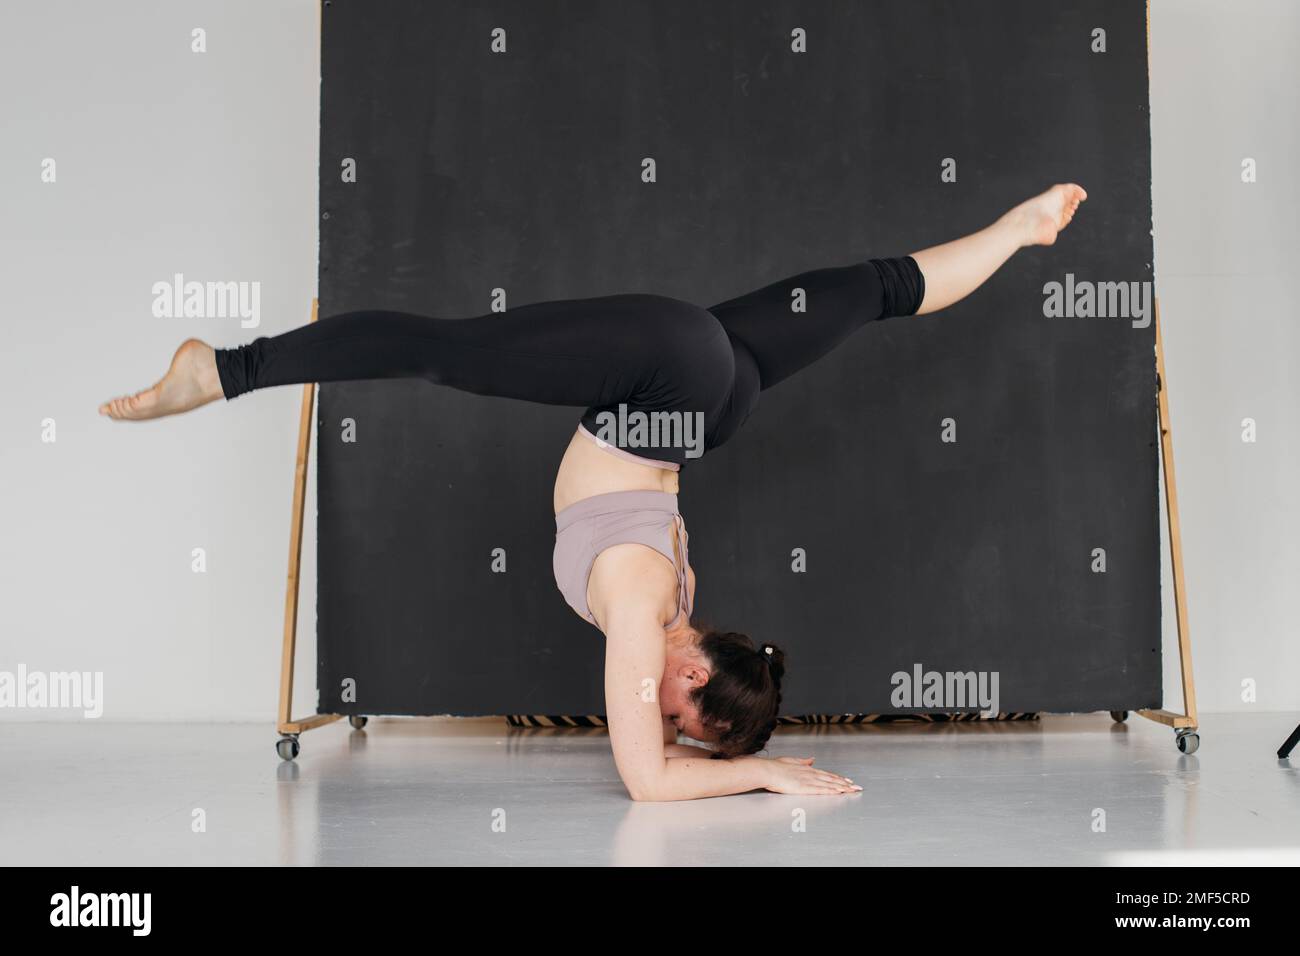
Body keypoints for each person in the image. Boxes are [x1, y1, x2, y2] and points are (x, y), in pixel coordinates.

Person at [100, 183, 1087, 800]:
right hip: (668, 376)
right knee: (441, 352)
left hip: (718, 384)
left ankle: (1015, 228)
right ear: (693, 674)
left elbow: (663, 744)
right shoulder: (640, 612)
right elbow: (646, 785)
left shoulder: (676, 603)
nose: (653, 716)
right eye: (678, 712)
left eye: (669, 725)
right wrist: (758, 768)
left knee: (878, 288)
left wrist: (740, 743)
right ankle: (221, 369)